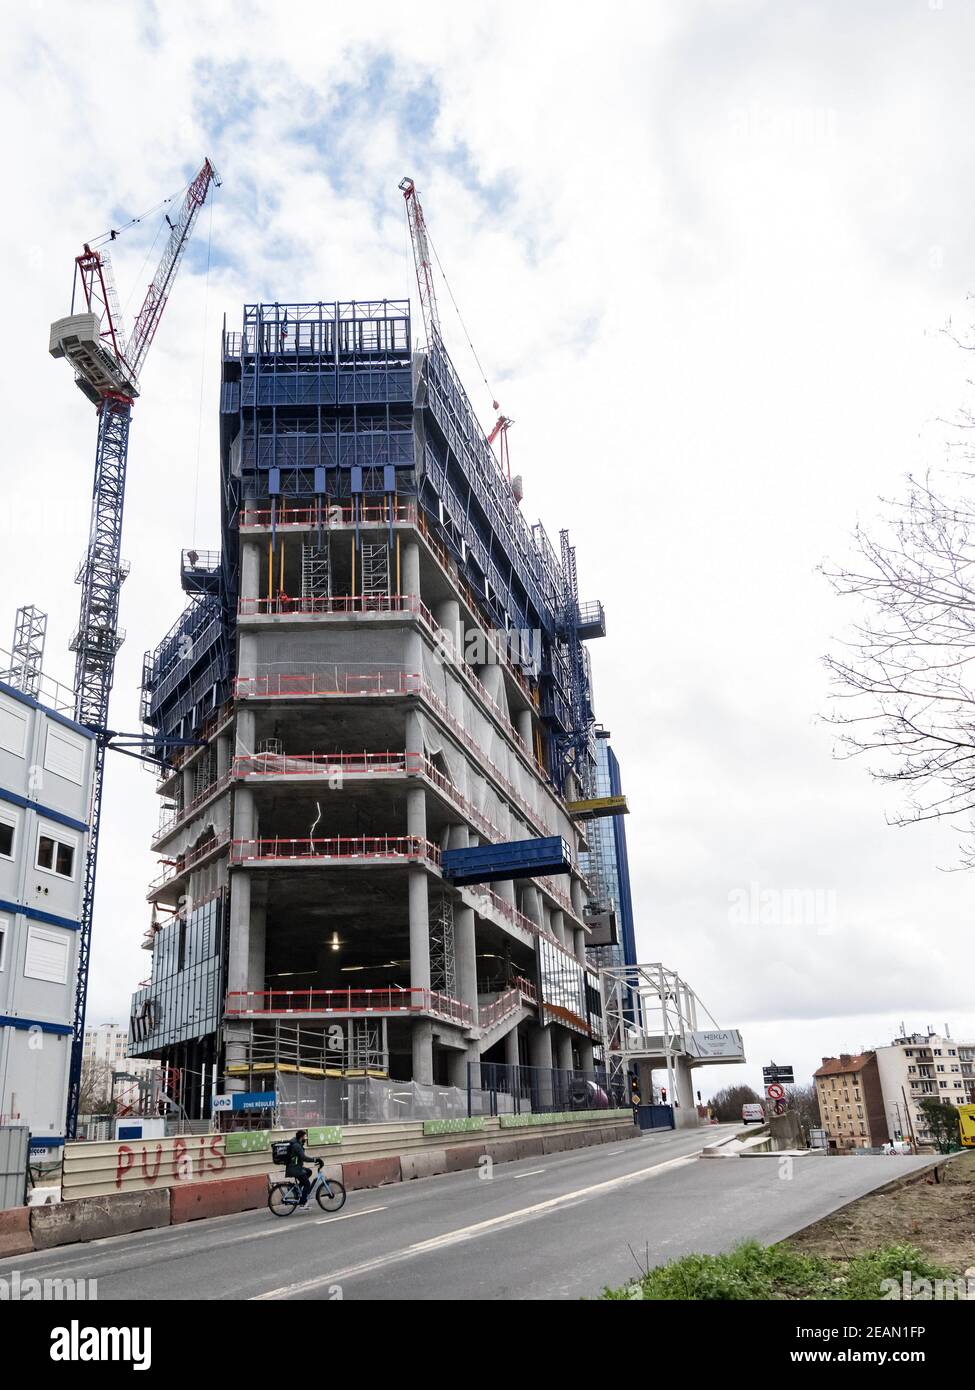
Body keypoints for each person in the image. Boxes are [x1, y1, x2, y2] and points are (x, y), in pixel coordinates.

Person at [285, 1129, 313, 1207]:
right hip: (295, 1169)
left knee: (309, 1171)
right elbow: (304, 1158)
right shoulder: (296, 1145)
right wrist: (314, 1159)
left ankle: (298, 1188)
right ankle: (303, 1202)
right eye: (304, 1137)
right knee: (307, 1184)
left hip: (296, 1167)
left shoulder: (297, 1143)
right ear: (301, 1137)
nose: (305, 1139)